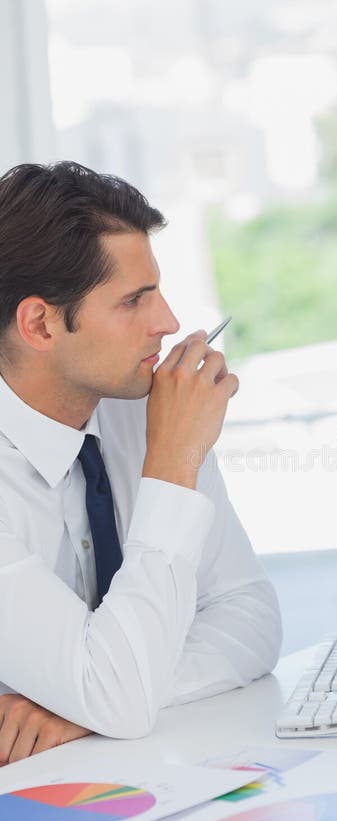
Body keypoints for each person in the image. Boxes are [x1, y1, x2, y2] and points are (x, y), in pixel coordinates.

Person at [0, 161, 282, 766]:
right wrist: (174, 466)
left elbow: (251, 617)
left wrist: (88, 701)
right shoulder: (168, 433)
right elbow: (119, 696)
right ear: (40, 324)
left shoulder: (144, 410)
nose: (170, 324)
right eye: (134, 301)